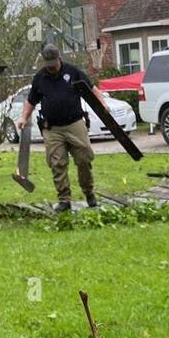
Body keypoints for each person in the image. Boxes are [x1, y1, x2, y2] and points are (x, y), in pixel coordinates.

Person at [17, 44, 108, 213]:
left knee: (84, 160)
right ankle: (64, 200)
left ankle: (89, 193)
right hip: (52, 128)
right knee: (57, 163)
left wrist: (103, 104)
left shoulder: (73, 72)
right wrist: (23, 117)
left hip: (75, 124)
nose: (52, 66)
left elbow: (92, 89)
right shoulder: (40, 78)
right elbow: (31, 100)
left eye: (54, 62)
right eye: (48, 63)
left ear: (59, 58)